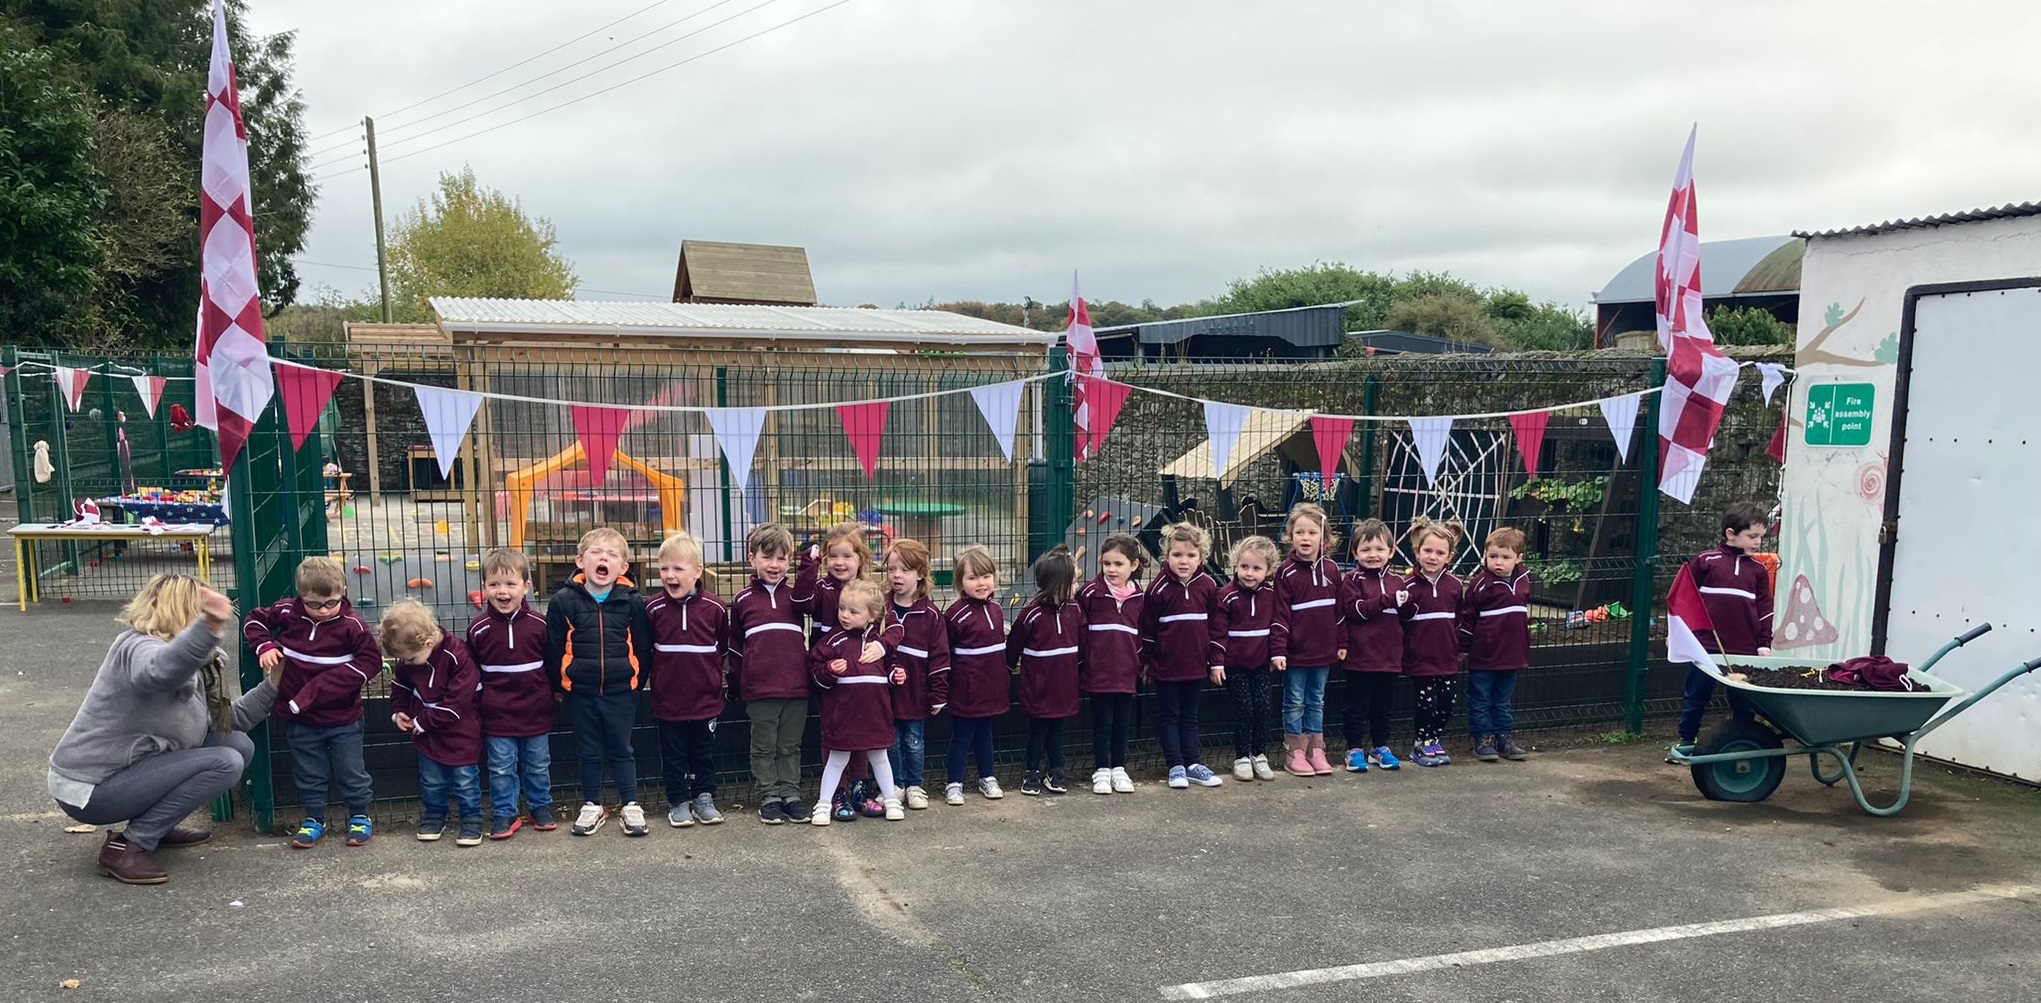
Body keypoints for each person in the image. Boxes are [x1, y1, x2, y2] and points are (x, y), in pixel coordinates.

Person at [49, 575, 277, 884]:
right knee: (226, 761)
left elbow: (222, 724)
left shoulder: (197, 661)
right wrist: (208, 627)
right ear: (182, 610)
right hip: (89, 788)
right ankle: (127, 846)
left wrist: (273, 685)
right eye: (199, 610)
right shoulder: (137, 645)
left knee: (238, 746)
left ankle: (158, 826)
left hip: (129, 771)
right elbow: (158, 674)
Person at [244, 556, 382, 849]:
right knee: (308, 771)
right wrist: (265, 645)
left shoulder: (352, 626)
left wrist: (317, 690)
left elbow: (370, 662)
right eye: (314, 604)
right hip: (301, 720)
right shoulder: (286, 611)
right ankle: (313, 819)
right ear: (300, 596)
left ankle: (359, 816)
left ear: (342, 591)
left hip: (343, 718)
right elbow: (254, 619)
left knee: (350, 770)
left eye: (331, 602)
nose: (323, 610)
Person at [544, 527, 653, 838]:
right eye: (596, 552)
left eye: (613, 554)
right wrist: (561, 685)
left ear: (623, 567)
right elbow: (553, 647)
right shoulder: (563, 601)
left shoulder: (633, 602)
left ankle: (630, 804)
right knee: (589, 750)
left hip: (622, 692)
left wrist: (635, 683)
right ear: (580, 560)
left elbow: (643, 648)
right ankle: (592, 804)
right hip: (580, 693)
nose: (604, 557)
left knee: (622, 748)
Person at [795, 522, 898, 822]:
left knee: (865, 734)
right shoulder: (821, 587)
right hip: (829, 669)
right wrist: (808, 565)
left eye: (847, 556)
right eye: (832, 556)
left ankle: (858, 789)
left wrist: (884, 647)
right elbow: (800, 601)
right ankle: (837, 792)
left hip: (863, 676)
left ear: (861, 560)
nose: (839, 562)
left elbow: (893, 627)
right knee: (836, 732)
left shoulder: (871, 593)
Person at [1669, 502, 1776, 761]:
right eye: (1752, 536)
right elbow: (1683, 599)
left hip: (1744, 649)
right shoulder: (1706, 561)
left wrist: (1764, 643)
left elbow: (1765, 610)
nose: (1758, 542)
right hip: (1705, 647)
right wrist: (1676, 633)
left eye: (1761, 537)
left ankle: (1743, 744)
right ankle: (1686, 741)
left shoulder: (1759, 571)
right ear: (1731, 534)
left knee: (1743, 701)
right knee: (1696, 694)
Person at [467, 547, 556, 838]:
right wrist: (482, 699)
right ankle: (505, 813)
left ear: (526, 587)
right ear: (484, 588)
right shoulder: (478, 629)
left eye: (510, 584)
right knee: (501, 767)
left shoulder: (541, 625)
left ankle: (540, 806)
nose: (502, 591)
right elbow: (473, 671)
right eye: (494, 585)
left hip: (536, 710)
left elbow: (553, 663)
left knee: (537, 764)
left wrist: (554, 694)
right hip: (497, 714)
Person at [380, 599, 485, 846]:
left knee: (465, 778)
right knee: (431, 778)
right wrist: (399, 710)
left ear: (428, 643)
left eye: (411, 659)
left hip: (461, 729)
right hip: (426, 731)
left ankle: (472, 819)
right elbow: (400, 684)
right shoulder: (410, 659)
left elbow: (456, 703)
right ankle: (434, 815)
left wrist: (422, 721)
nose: (406, 664)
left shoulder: (457, 655)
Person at [728, 523, 814, 824]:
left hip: (796, 687)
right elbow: (736, 646)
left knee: (789, 746)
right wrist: (736, 682)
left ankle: (791, 794)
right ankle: (769, 795)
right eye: (767, 557)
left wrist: (809, 569)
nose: (774, 565)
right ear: (751, 558)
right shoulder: (742, 600)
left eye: (781, 558)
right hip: (760, 689)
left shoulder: (798, 598)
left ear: (788, 561)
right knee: (763, 746)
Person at [644, 533, 729, 828]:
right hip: (668, 702)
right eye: (664, 568)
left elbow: (722, 646)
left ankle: (704, 798)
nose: (670, 575)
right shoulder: (652, 609)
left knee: (703, 754)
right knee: (674, 756)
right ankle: (678, 801)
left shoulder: (716, 609)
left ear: (697, 571)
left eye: (678, 569)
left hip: (706, 701)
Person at [808, 579, 906, 824]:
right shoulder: (832, 640)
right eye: (842, 608)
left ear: (871, 615)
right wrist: (829, 670)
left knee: (880, 756)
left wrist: (896, 675)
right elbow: (815, 671)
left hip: (876, 714)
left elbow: (891, 666)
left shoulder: (879, 643)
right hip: (844, 715)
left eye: (853, 611)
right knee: (837, 758)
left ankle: (891, 800)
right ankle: (823, 805)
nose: (844, 615)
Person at [1140, 521, 1224, 789]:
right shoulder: (1157, 589)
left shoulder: (1209, 586)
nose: (1183, 561)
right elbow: (1148, 630)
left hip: (1197, 667)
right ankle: (1175, 765)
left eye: (1190, 555)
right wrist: (1147, 662)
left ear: (1201, 557)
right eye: (1177, 555)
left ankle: (1193, 764)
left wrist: (1216, 661)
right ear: (1166, 556)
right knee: (1168, 716)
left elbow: (1216, 627)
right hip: (1166, 668)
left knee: (1190, 716)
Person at [1008, 546, 1084, 796]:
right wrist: (1006, 672)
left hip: (1065, 688)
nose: (1077, 586)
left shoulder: (1075, 611)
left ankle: (1057, 771)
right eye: (1073, 581)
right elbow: (1013, 648)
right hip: (1038, 689)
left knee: (1057, 732)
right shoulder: (1030, 615)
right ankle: (1031, 772)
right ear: (1056, 585)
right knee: (1038, 732)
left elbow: (1083, 644)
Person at [1077, 533, 1146, 795]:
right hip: (1099, 672)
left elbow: (1142, 632)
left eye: (1118, 564)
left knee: (1121, 722)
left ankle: (1119, 768)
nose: (1112, 569)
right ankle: (1101, 769)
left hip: (1126, 672)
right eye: (1107, 564)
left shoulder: (1139, 596)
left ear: (1134, 565)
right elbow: (1080, 628)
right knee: (1102, 722)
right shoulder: (1090, 593)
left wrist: (1140, 661)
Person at [1274, 503, 1340, 776]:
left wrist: (1342, 643)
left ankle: (1316, 749)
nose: (1305, 538)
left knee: (1317, 700)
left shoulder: (1333, 569)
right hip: (1295, 654)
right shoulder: (1285, 572)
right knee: (1294, 700)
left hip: (1324, 652)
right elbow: (1279, 615)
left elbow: (1341, 613)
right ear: (1290, 535)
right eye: (1299, 532)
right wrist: (1278, 650)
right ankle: (1295, 750)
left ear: (1323, 538)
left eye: (1312, 532)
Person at [882, 539, 948, 810]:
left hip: (917, 692)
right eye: (892, 569)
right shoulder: (881, 607)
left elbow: (940, 657)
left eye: (905, 570)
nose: (896, 575)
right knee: (891, 741)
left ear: (920, 574)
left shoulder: (931, 613)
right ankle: (894, 785)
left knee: (914, 740)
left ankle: (914, 785)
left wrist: (938, 694)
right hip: (886, 691)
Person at [1215, 535, 1286, 782]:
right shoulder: (1226, 595)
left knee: (1263, 709)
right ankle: (1242, 757)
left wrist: (1277, 653)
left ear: (1268, 571)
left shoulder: (1272, 595)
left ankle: (1259, 754)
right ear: (1236, 565)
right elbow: (1218, 633)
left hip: (1261, 666)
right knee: (1245, 710)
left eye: (1257, 568)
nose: (1249, 573)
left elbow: (1278, 625)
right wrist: (1216, 663)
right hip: (1235, 667)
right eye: (1244, 566)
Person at [1338, 519, 1406, 772]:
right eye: (1365, 550)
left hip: (1389, 657)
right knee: (1356, 707)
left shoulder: (1399, 581)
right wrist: (1387, 601)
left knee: (1383, 707)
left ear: (1391, 551)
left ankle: (1380, 747)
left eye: (1379, 549)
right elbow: (1356, 611)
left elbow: (1406, 616)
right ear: (1355, 553)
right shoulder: (1352, 580)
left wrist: (1408, 604)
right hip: (1360, 657)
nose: (1373, 555)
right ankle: (1353, 749)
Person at [943, 545, 1008, 806]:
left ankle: (987, 776)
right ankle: (953, 783)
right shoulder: (955, 615)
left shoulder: (996, 609)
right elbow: (945, 651)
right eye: (972, 578)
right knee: (962, 736)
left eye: (985, 576)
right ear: (960, 582)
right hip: (966, 690)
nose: (981, 583)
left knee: (985, 735)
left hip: (991, 689)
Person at [1461, 527, 1533, 762]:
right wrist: (1463, 647)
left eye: (1505, 557)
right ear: (1485, 556)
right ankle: (1482, 739)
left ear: (1518, 559)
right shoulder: (1480, 584)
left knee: (1502, 699)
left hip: (1512, 654)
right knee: (1480, 697)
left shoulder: (1523, 581)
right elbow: (1467, 618)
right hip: (1484, 654)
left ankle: (1505, 738)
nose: (1498, 562)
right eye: (1493, 556)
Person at [1400, 519, 1465, 768]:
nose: (1433, 557)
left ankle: (1434, 740)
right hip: (1420, 658)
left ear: (1449, 556)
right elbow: (1403, 620)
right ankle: (1420, 745)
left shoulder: (1455, 585)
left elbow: (1458, 618)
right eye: (1427, 551)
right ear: (1417, 551)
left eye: (1440, 552)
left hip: (1447, 657)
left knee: (1447, 702)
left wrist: (1458, 646)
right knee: (1425, 704)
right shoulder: (1408, 586)